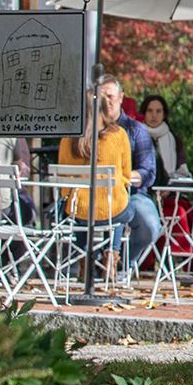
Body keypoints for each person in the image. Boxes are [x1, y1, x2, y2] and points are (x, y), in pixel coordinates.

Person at [68, 77, 163, 276]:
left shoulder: (133, 130)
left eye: (110, 97)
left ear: (121, 98)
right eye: (101, 97)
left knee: (150, 223)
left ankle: (121, 263)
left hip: (131, 194)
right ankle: (102, 259)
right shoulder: (78, 132)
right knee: (90, 202)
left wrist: (120, 179)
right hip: (91, 196)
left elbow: (148, 172)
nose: (106, 102)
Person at [140, 94, 184, 183]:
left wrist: (169, 186)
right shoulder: (136, 137)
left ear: (164, 114)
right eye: (150, 111)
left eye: (158, 111)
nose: (154, 115)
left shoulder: (174, 140)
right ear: (143, 113)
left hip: (170, 189)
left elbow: (182, 171)